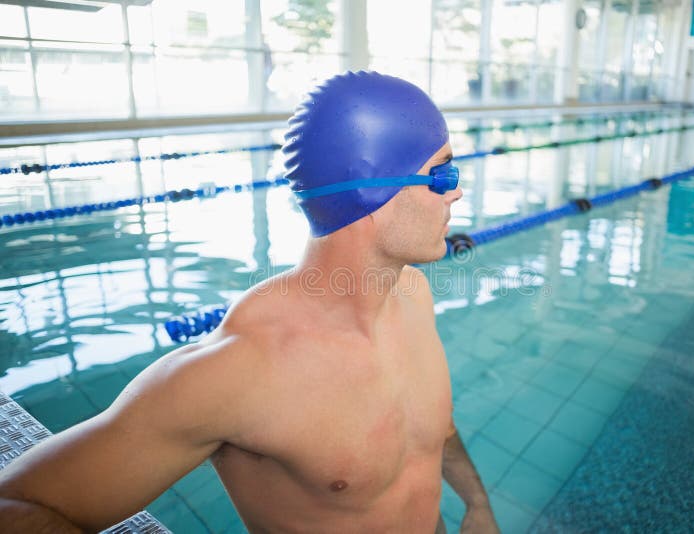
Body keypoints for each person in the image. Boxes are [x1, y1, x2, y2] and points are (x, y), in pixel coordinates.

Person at [0, 71, 499, 533]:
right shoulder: (241, 371)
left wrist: (477, 504)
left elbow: (436, 430)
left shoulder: (413, 296)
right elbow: (21, 505)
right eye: (442, 175)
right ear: (375, 190)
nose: (455, 194)